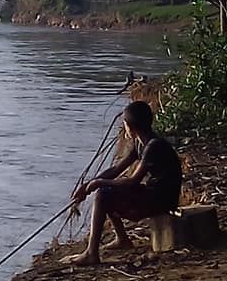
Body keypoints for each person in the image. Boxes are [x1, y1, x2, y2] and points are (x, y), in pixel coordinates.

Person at [64, 100, 181, 265]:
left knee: (103, 195)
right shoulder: (140, 142)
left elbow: (133, 181)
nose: (123, 126)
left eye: (124, 123)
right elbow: (116, 170)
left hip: (163, 199)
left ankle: (92, 253)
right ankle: (122, 239)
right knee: (107, 190)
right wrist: (88, 185)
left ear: (131, 127)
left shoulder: (153, 146)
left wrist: (99, 183)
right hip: (154, 192)